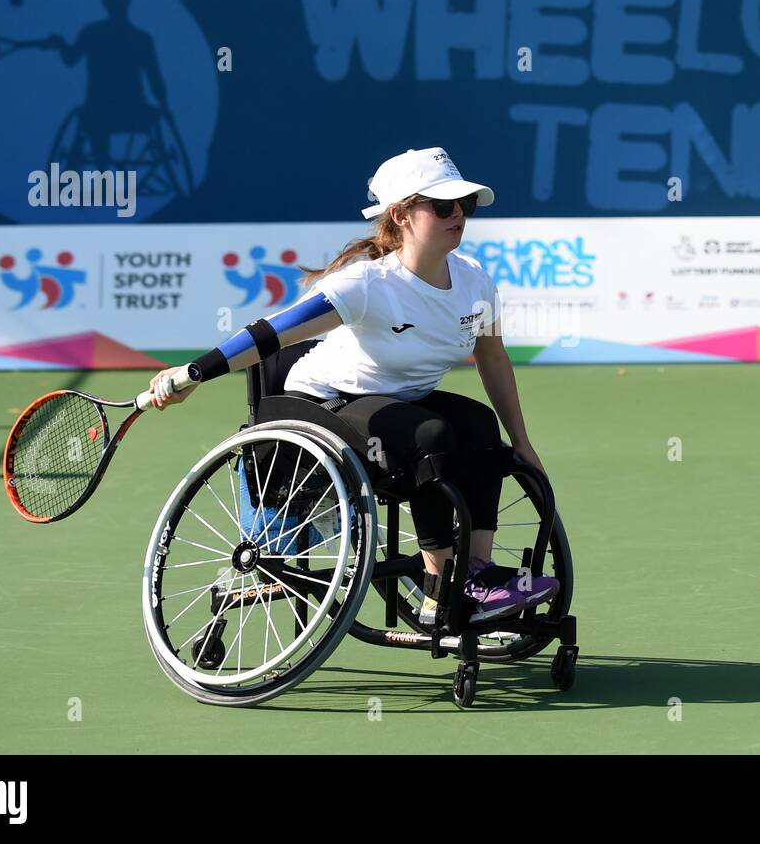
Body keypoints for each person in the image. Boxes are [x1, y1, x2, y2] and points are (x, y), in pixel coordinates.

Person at [147, 146, 559, 626]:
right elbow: (269, 333)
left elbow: (492, 357)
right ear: (401, 214)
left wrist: (523, 443)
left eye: (464, 205)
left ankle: (476, 572)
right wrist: (193, 374)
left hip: (400, 400)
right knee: (431, 435)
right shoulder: (367, 285)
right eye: (443, 206)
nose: (458, 216)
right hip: (322, 404)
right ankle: (438, 590)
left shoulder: (475, 283)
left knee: (481, 425)